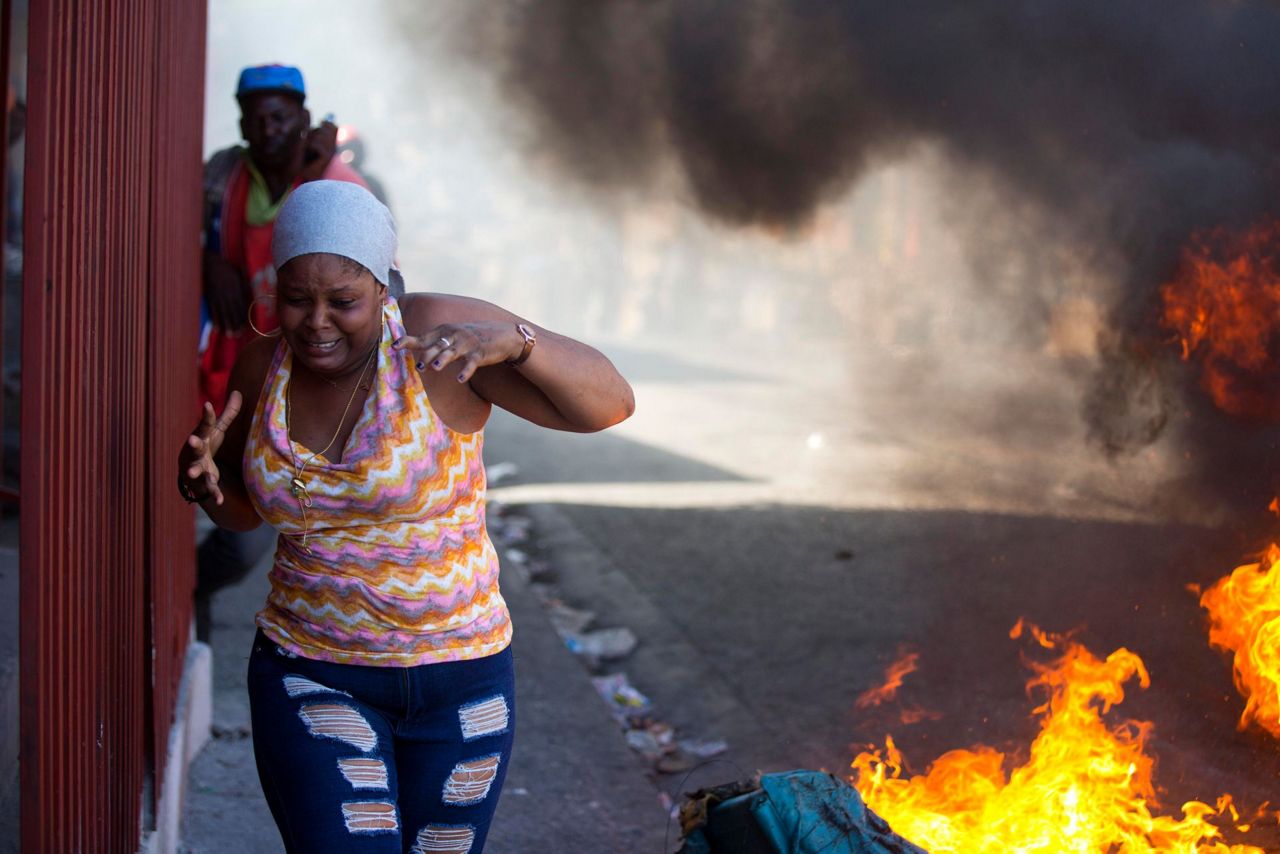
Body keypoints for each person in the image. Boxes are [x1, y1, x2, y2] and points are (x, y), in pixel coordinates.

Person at [176, 180, 634, 852]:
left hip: (463, 683)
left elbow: (610, 404)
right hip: (312, 671)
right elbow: (246, 516)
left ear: (383, 285)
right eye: (297, 299)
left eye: (343, 301)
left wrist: (519, 341)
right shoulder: (261, 367)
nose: (317, 322)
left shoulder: (435, 341)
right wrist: (207, 485)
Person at [195, 64, 373, 642]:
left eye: (279, 116)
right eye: (255, 117)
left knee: (277, 529)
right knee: (232, 501)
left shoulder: (339, 185)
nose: (267, 128)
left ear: (303, 116)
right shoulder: (223, 178)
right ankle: (193, 600)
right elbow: (185, 231)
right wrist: (210, 260)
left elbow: (379, 285)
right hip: (239, 361)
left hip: (316, 375)